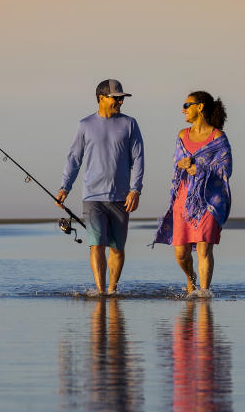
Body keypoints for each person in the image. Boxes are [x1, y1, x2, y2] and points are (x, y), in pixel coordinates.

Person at [56, 79, 144, 295]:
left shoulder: (129, 123)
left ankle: (112, 290)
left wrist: (136, 189)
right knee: (97, 245)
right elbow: (74, 158)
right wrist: (64, 187)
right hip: (93, 196)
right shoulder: (85, 125)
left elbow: (139, 158)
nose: (120, 102)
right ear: (101, 98)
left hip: (121, 197)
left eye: (122, 98)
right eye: (116, 98)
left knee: (117, 248)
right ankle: (101, 291)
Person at [151, 91, 232, 297]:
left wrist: (201, 168)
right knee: (181, 253)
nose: (183, 109)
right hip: (183, 200)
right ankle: (190, 278)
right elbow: (176, 162)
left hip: (208, 200)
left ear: (200, 107)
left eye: (187, 105)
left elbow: (226, 168)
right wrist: (182, 163)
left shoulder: (218, 137)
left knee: (204, 249)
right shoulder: (182, 135)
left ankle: (204, 294)